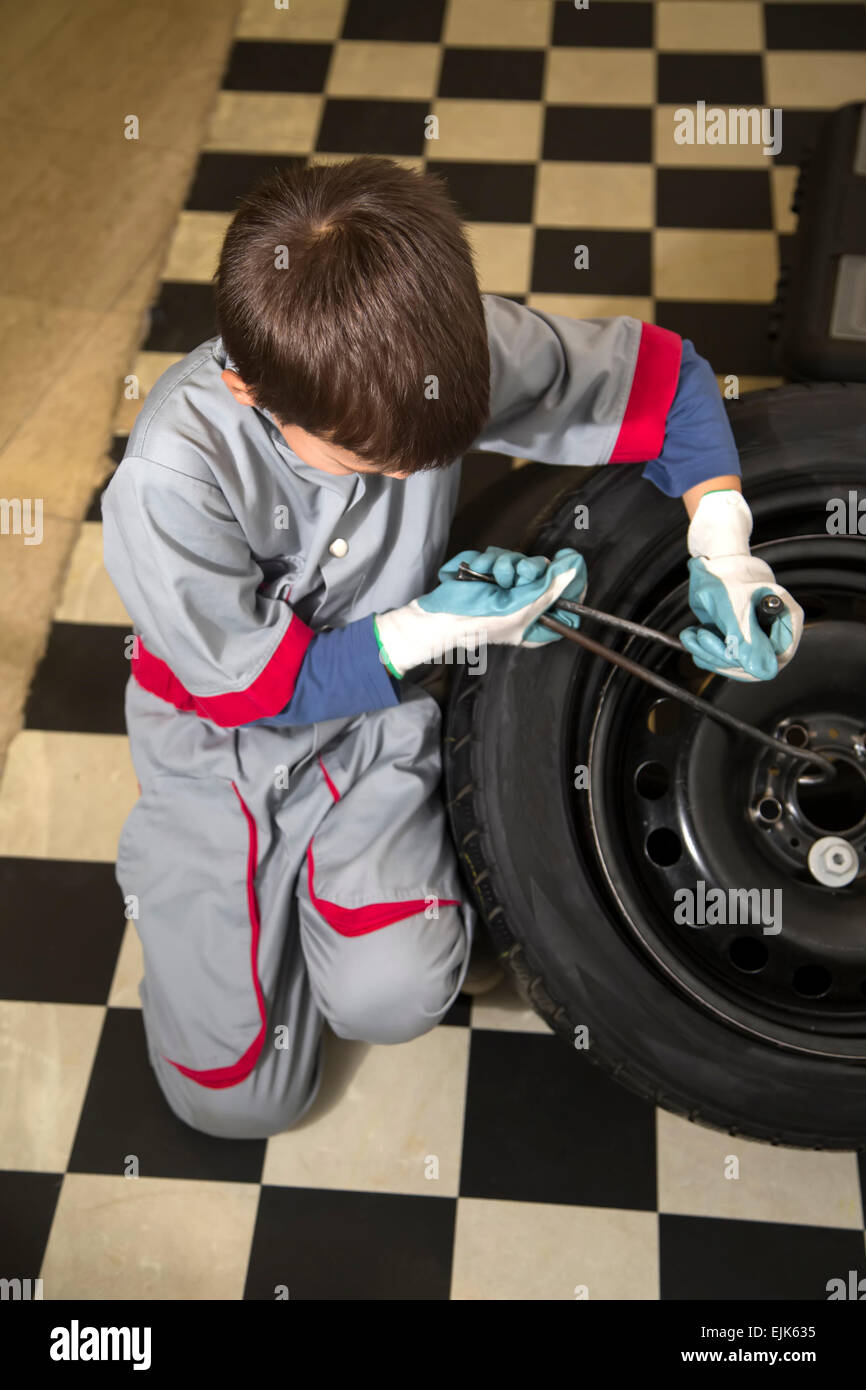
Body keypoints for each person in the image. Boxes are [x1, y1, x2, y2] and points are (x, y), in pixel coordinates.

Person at [101, 157, 803, 1139]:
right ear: (251, 391)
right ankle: (240, 915)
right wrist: (432, 627)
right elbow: (253, 688)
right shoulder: (170, 480)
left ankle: (376, 907)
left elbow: (669, 384)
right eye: (370, 460)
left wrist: (723, 546)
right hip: (220, 745)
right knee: (236, 1100)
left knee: (398, 992)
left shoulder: (442, 345)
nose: (410, 473)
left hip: (375, 727)